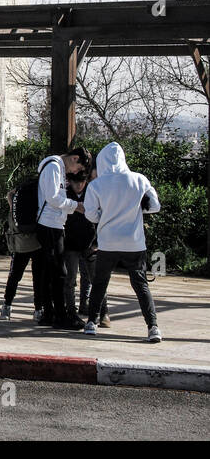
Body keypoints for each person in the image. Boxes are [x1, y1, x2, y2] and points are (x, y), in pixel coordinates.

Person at [82, 142, 161, 342]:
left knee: (100, 282)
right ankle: (153, 327)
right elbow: (154, 206)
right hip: (134, 242)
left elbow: (91, 215)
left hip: (108, 242)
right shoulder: (139, 179)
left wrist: (105, 215)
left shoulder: (97, 184)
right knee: (140, 285)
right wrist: (135, 210)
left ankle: (91, 323)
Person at [34, 146, 91, 329]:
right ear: (74, 158)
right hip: (49, 223)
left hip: (53, 223)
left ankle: (49, 313)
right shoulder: (54, 167)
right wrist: (76, 206)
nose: (76, 173)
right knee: (59, 273)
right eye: (79, 168)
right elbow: (53, 198)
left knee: (51, 272)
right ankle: (59, 315)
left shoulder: (55, 166)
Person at [63, 166, 110, 328]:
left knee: (96, 279)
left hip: (90, 241)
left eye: (81, 182)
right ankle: (71, 311)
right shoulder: (65, 193)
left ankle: (103, 312)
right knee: (70, 280)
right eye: (75, 182)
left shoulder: (93, 191)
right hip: (70, 243)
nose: (79, 185)